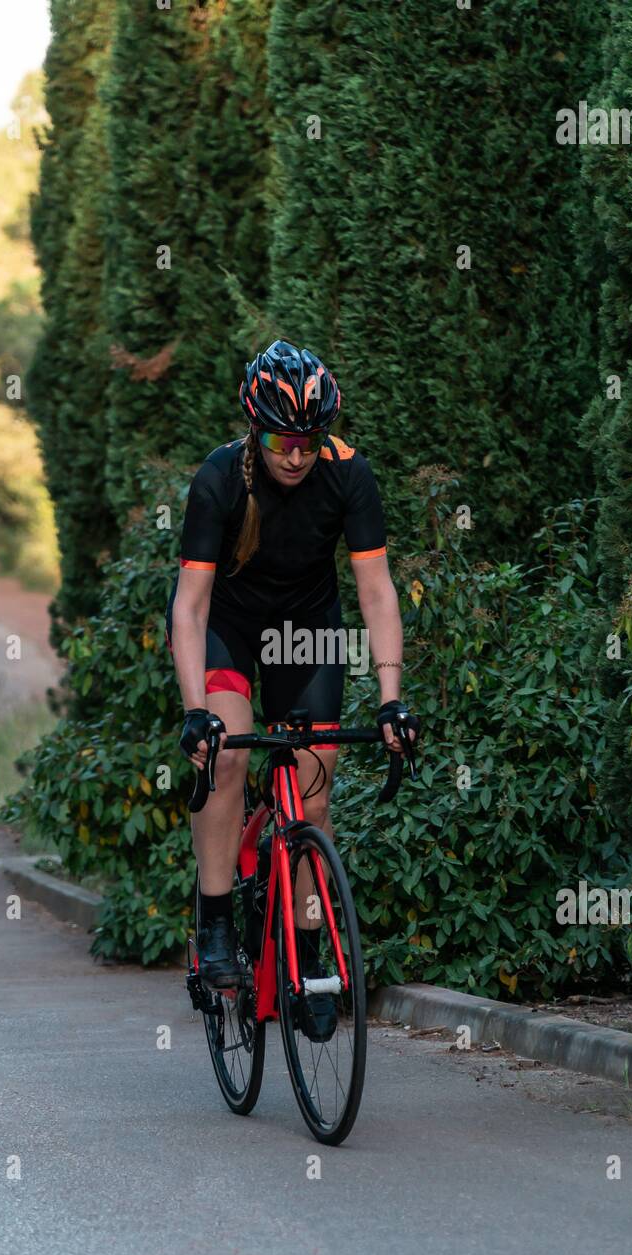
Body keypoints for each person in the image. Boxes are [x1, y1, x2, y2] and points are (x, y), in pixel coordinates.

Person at [166, 339, 418, 1001]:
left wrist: (391, 697)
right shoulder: (220, 478)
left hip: (305, 630)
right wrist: (196, 709)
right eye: (283, 442)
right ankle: (216, 918)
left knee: (311, 791)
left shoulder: (348, 472)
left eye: (309, 439)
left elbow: (376, 591)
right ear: (257, 432)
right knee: (224, 756)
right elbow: (189, 608)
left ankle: (310, 953)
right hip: (229, 628)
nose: (298, 455)